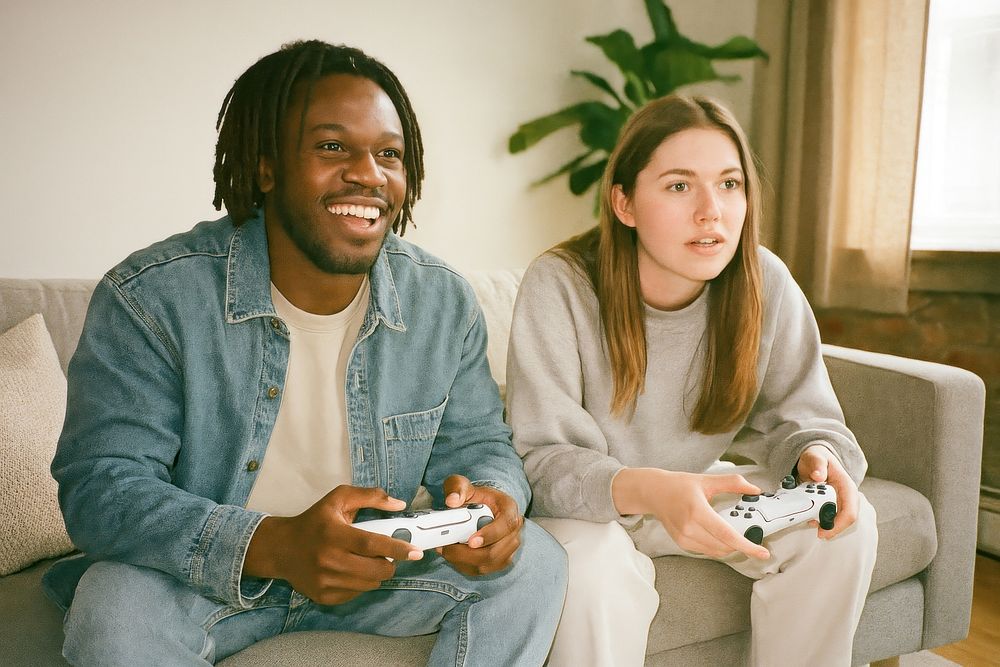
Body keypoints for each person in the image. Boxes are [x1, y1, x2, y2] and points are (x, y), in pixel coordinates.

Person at [44, 40, 566, 666]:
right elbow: (102, 488)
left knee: (535, 562)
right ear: (266, 167)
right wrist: (275, 544)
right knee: (114, 605)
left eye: (389, 154)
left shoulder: (442, 302)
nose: (369, 174)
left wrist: (490, 501)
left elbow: (479, 444)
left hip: (379, 572)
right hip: (204, 580)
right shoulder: (152, 299)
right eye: (331, 147)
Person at [505, 94, 878, 667]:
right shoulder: (560, 286)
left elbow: (806, 415)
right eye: (680, 186)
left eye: (730, 184)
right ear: (624, 203)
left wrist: (816, 455)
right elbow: (541, 461)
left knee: (845, 527)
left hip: (697, 489)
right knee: (593, 574)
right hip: (585, 510)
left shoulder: (765, 280)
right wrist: (653, 490)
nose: (713, 212)